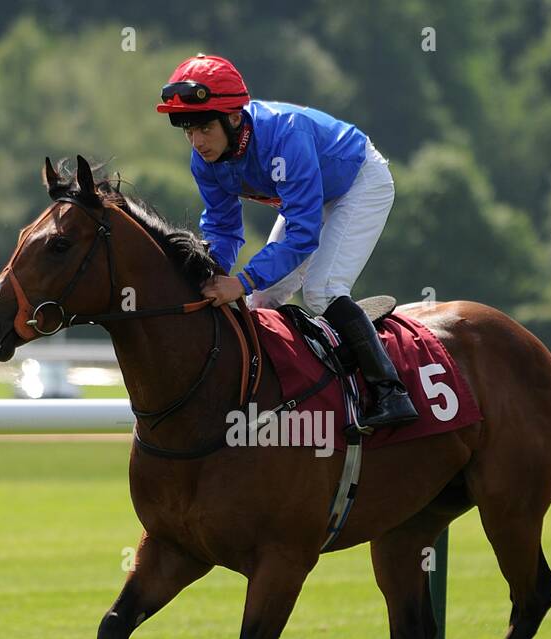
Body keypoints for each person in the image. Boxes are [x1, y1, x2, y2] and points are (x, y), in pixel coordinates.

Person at [156, 53, 418, 429]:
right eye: (188, 131)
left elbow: (303, 233)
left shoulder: (286, 134)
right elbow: (222, 228)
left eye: (204, 129)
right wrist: (210, 276)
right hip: (310, 201)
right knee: (259, 300)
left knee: (322, 290)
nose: (197, 142)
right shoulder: (206, 161)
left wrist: (242, 280)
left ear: (233, 117)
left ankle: (392, 391)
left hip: (359, 182)